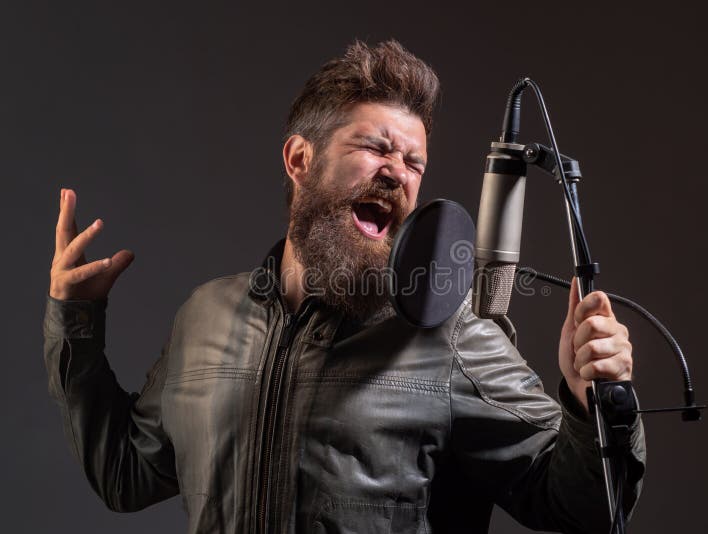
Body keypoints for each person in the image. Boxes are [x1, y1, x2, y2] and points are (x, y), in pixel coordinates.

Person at [44, 40, 645, 534]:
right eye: (375, 147)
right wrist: (75, 323)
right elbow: (125, 475)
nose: (397, 174)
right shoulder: (204, 316)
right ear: (300, 160)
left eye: (414, 163)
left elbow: (580, 504)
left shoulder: (449, 333)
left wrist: (592, 403)